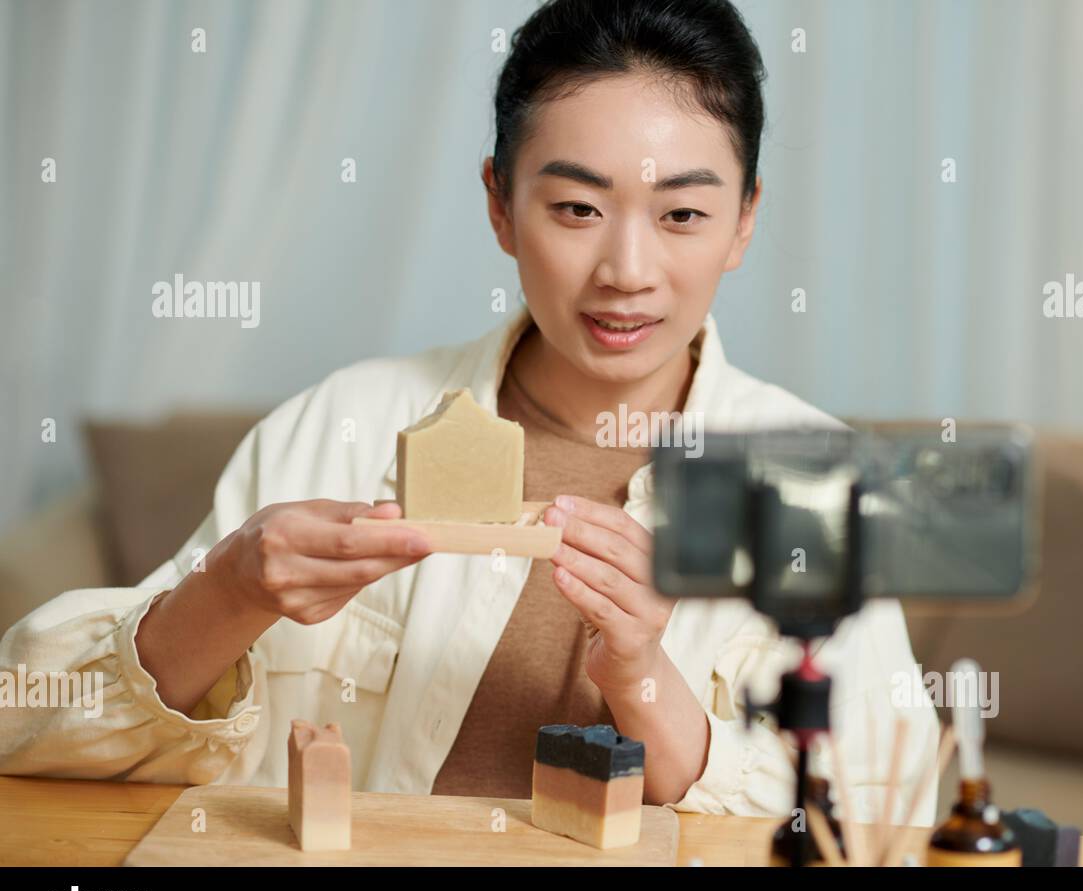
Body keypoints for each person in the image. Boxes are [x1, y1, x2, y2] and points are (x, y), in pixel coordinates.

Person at [0, 0, 938, 822]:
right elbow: (27, 726)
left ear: (744, 221)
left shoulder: (814, 480)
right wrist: (230, 590)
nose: (627, 271)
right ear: (498, 203)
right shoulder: (346, 421)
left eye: (682, 215)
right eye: (576, 208)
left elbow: (877, 822)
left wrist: (643, 678)